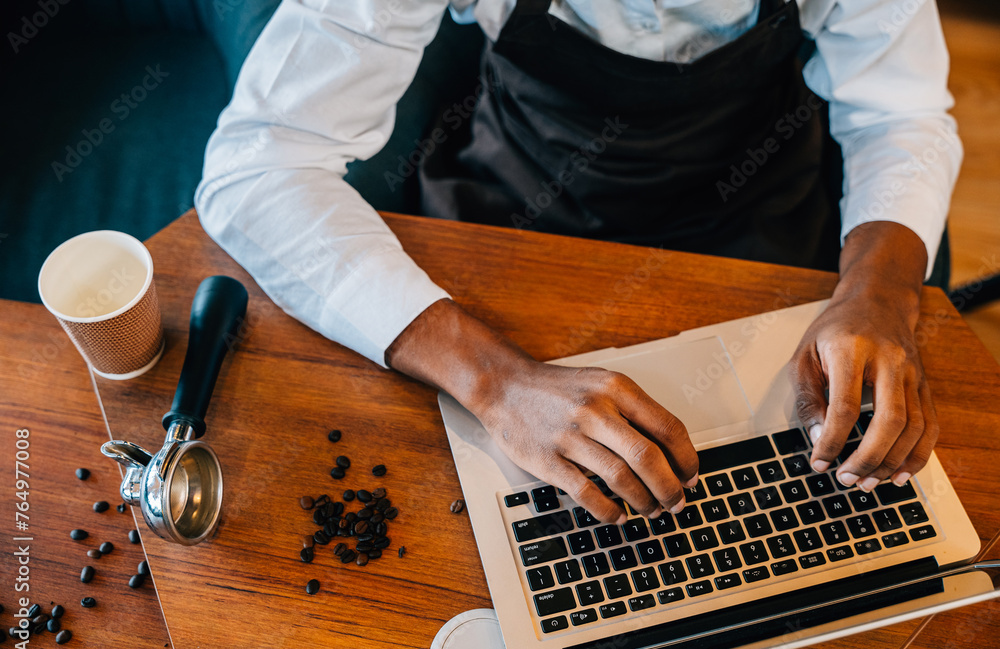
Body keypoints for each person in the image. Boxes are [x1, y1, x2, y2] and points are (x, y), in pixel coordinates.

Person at [196, 0, 958, 526]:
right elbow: (257, 168)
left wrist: (881, 292)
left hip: (758, 223)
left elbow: (902, 111)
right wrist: (494, 380)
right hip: (524, 220)